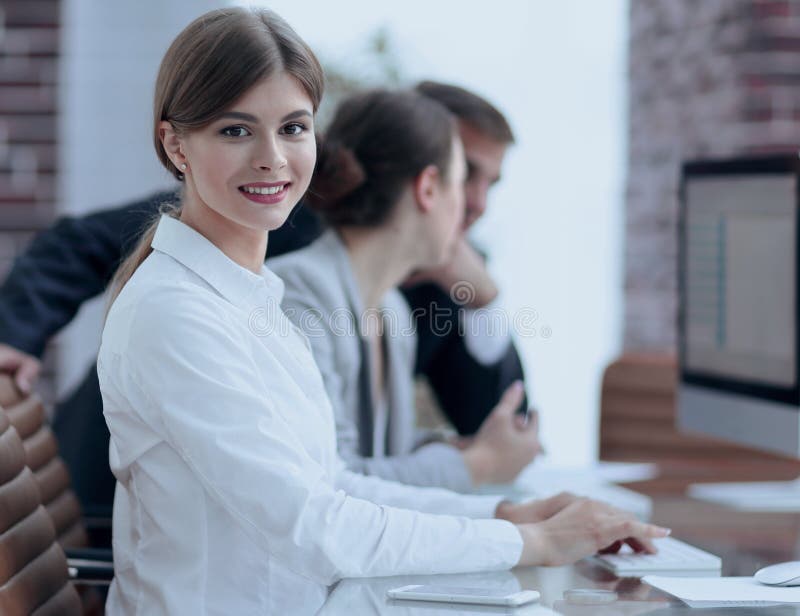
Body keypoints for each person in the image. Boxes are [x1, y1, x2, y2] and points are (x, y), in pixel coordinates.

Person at [98, 7, 668, 613]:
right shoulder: (175, 314)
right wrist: (527, 540)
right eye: (236, 131)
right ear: (175, 144)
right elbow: (311, 527)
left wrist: (506, 513)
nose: (273, 158)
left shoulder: (253, 297)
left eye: (294, 128)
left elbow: (331, 485)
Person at [0, 86, 524, 515]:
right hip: (121, 491)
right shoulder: (266, 214)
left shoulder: (426, 285)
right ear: (424, 178)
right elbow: (85, 243)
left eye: (490, 184)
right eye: (465, 174)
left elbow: (497, 427)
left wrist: (488, 302)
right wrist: (14, 335)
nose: (475, 203)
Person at [269, 89, 537, 492]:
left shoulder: (392, 311)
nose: (475, 205)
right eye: (463, 178)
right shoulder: (294, 294)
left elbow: (374, 456)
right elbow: (326, 487)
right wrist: (476, 466)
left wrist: (449, 453)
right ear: (428, 187)